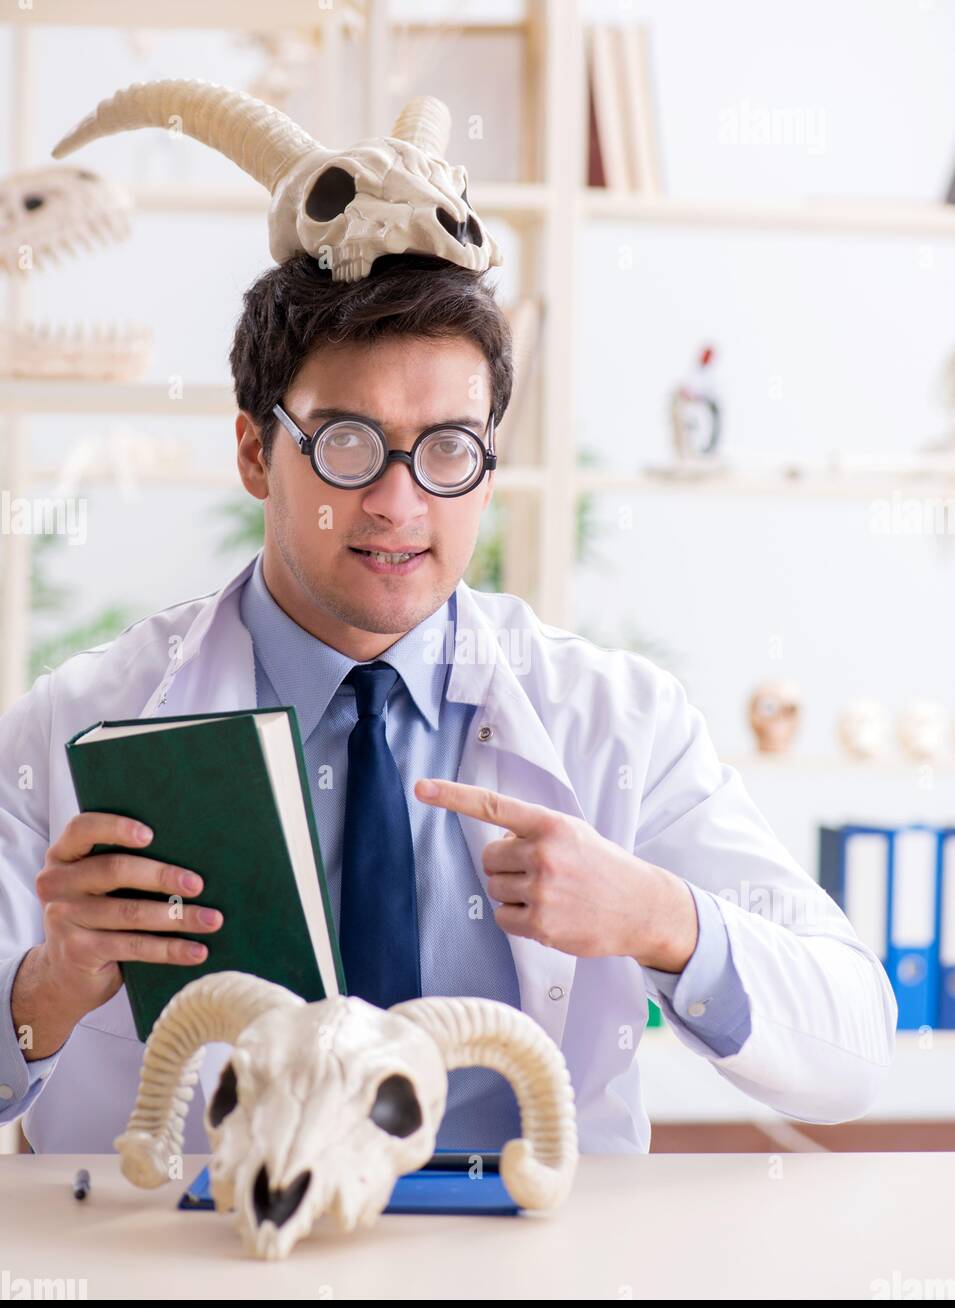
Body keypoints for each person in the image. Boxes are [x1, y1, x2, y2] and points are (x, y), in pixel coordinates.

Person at [0, 253, 897, 1155]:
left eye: (447, 451)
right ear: (254, 454)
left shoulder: (618, 722)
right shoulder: (72, 722)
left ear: (490, 467)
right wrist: (49, 987)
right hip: (201, 1267)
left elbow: (852, 1048)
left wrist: (658, 917)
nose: (400, 504)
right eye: (346, 443)